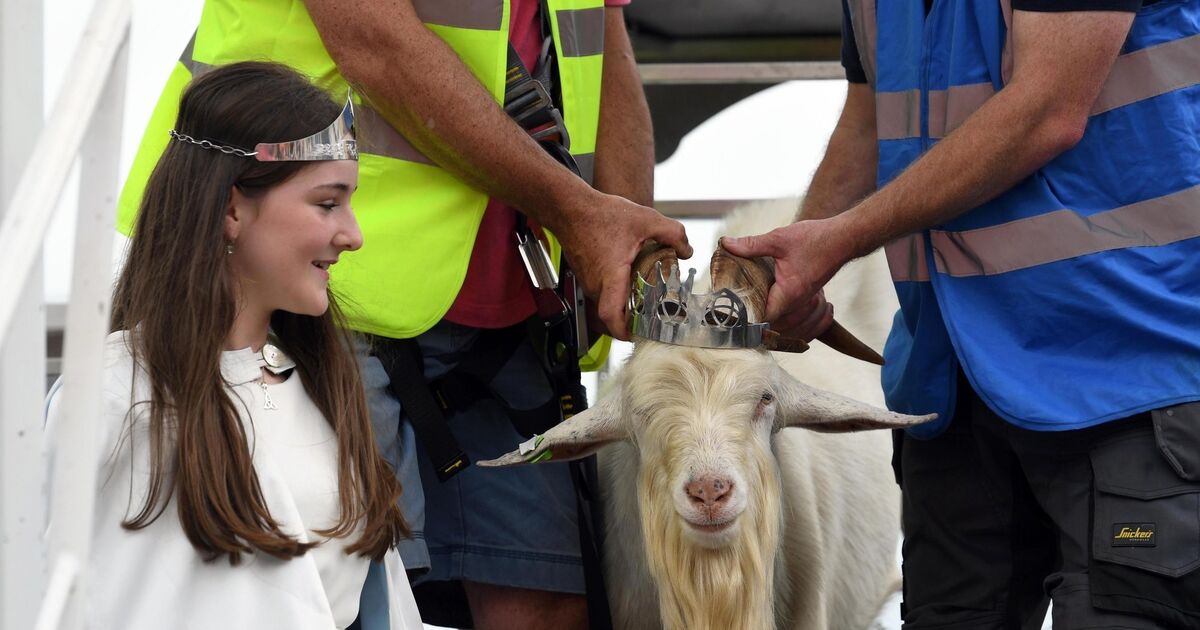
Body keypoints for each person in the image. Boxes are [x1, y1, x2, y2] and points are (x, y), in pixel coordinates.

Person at [117, 1, 691, 628]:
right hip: (306, 290)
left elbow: (600, 51)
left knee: (546, 604)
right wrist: (583, 216)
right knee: (350, 596)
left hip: (513, 300)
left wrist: (623, 247)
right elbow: (372, 40)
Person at [723, 1, 1200, 628]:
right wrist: (794, 266)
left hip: (1125, 374)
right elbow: (871, 122)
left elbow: (1048, 110)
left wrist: (835, 241)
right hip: (950, 387)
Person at [46, 61, 422, 630]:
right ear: (230, 209)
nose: (354, 234)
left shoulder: (328, 385)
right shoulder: (114, 393)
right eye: (327, 203)